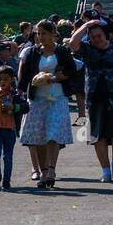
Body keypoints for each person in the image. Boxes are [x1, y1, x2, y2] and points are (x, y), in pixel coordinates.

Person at [70, 15, 113, 184]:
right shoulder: (87, 50)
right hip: (95, 98)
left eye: (99, 36)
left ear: (106, 35)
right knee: (97, 135)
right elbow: (72, 44)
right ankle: (105, 170)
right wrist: (87, 25)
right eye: (93, 37)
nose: (96, 39)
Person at [17, 17, 76, 189]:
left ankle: (51, 170)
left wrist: (56, 77)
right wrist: (21, 90)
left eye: (44, 33)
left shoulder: (62, 51)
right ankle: (43, 171)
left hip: (57, 97)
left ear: (53, 34)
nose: (41, 37)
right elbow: (25, 75)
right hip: (37, 99)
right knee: (39, 137)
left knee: (53, 134)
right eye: (38, 33)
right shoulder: (32, 52)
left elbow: (71, 70)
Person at [0, 65, 28, 189]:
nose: (3, 82)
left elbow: (26, 107)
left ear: (11, 80)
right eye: (0, 79)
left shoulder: (15, 95)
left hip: (10, 130)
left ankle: (6, 180)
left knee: (8, 157)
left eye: (6, 79)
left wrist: (14, 107)